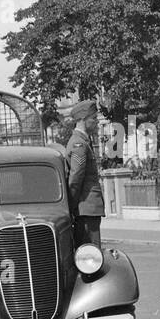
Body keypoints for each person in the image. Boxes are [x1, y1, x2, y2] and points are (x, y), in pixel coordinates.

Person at [66, 99, 105, 248]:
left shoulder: (82, 142)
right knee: (90, 255)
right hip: (85, 209)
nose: (96, 122)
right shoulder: (79, 144)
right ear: (82, 119)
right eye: (93, 118)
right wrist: (70, 206)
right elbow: (76, 178)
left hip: (87, 209)